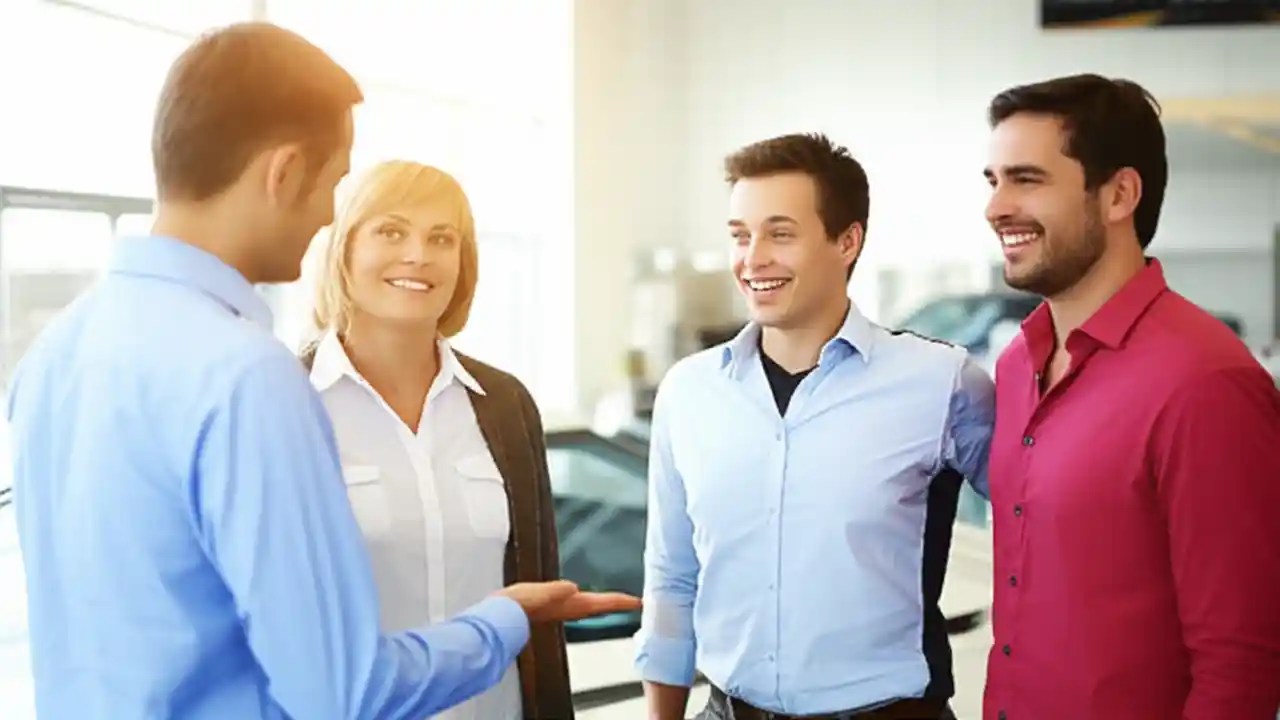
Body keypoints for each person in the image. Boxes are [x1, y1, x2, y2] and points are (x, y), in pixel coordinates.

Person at [6, 23, 633, 720]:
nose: (326, 213)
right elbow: (341, 693)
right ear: (284, 173)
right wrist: (505, 620)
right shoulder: (251, 377)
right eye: (335, 184)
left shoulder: (50, 358)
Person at [635, 133, 995, 720]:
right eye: (740, 235)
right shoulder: (689, 392)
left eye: (780, 234)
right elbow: (672, 577)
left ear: (847, 241)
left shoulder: (942, 383)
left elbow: (1044, 531)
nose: (752, 258)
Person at [981, 74, 1280, 720]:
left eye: (1026, 179)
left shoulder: (1205, 384)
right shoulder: (1015, 366)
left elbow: (1242, 664)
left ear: (1119, 194)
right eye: (993, 180)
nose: (996, 207)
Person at [298, 159, 622, 719]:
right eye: (391, 231)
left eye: (441, 238)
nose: (418, 254)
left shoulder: (505, 404)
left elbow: (537, 613)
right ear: (344, 251)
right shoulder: (286, 401)